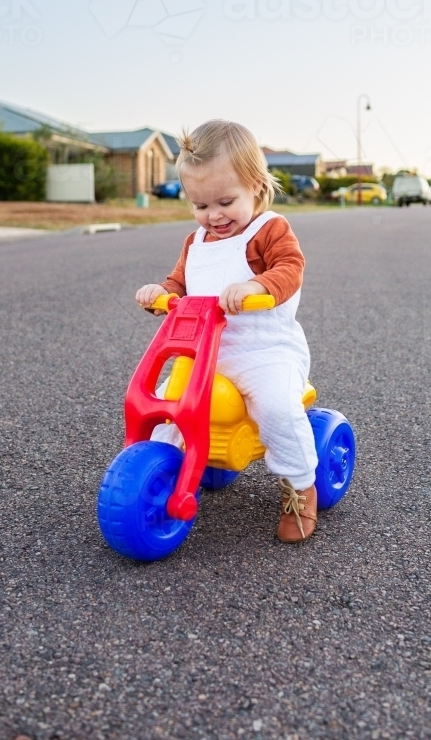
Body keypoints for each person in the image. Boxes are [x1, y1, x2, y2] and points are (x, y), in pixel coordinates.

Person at [135, 120, 319, 543]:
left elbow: (290, 268)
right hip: (203, 353)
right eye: (200, 205)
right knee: (167, 406)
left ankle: (300, 486)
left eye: (224, 201)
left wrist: (257, 286)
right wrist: (160, 293)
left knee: (276, 408)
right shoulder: (196, 242)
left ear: (255, 185)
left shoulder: (268, 229)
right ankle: (157, 476)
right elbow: (179, 283)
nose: (213, 216)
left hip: (264, 351)